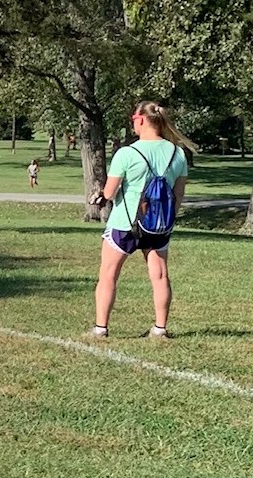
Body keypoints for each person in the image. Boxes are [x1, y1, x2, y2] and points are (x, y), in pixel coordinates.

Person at [89, 101, 192, 340]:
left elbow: (110, 192)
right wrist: (168, 220)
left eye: (134, 118)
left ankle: (101, 328)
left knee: (108, 274)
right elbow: (178, 195)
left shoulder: (127, 153)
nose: (133, 123)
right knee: (160, 276)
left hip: (124, 224)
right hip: (158, 226)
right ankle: (160, 328)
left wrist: (100, 197)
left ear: (142, 120)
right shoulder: (178, 154)